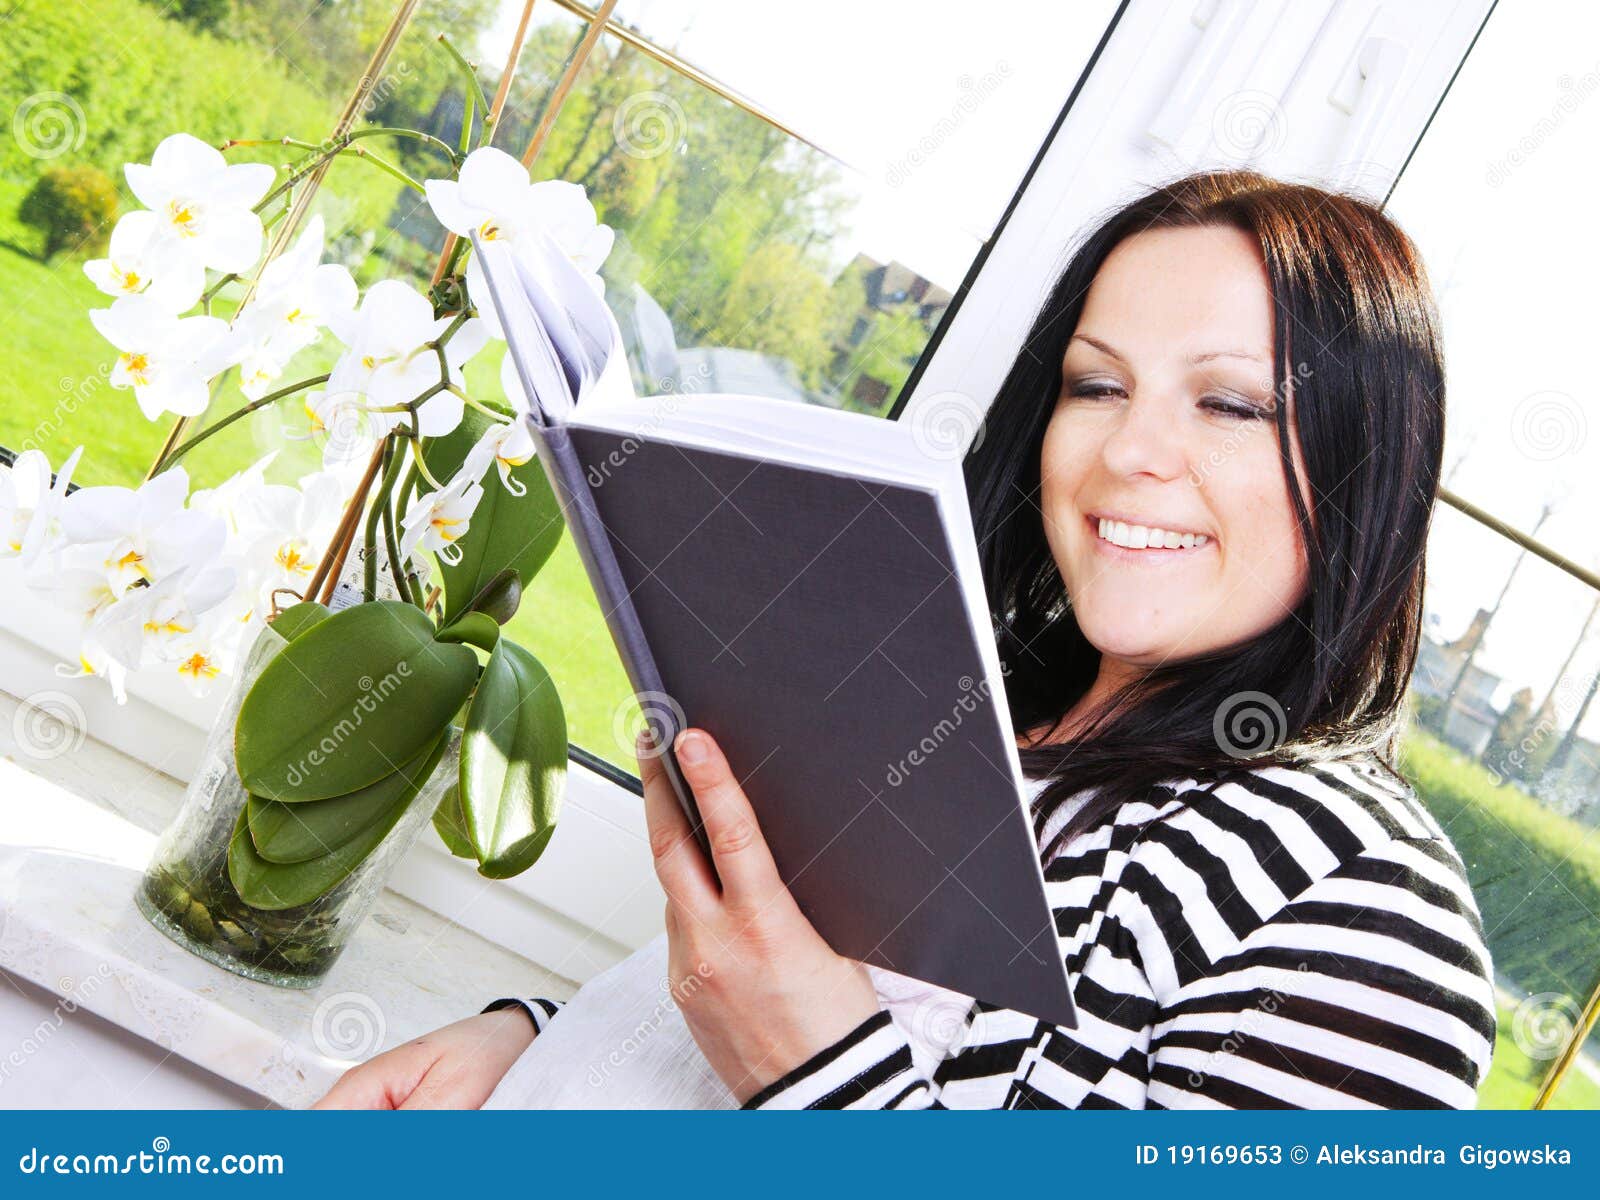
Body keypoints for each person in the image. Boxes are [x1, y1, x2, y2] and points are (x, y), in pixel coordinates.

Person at [315, 169, 1497, 1110]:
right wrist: (527, 1043)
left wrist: (811, 1076)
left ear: (1366, 468)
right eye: (1094, 386)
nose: (1128, 452)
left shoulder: (1364, 905)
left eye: (1231, 404)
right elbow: (723, 1024)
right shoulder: (969, 704)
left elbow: (804, 1054)